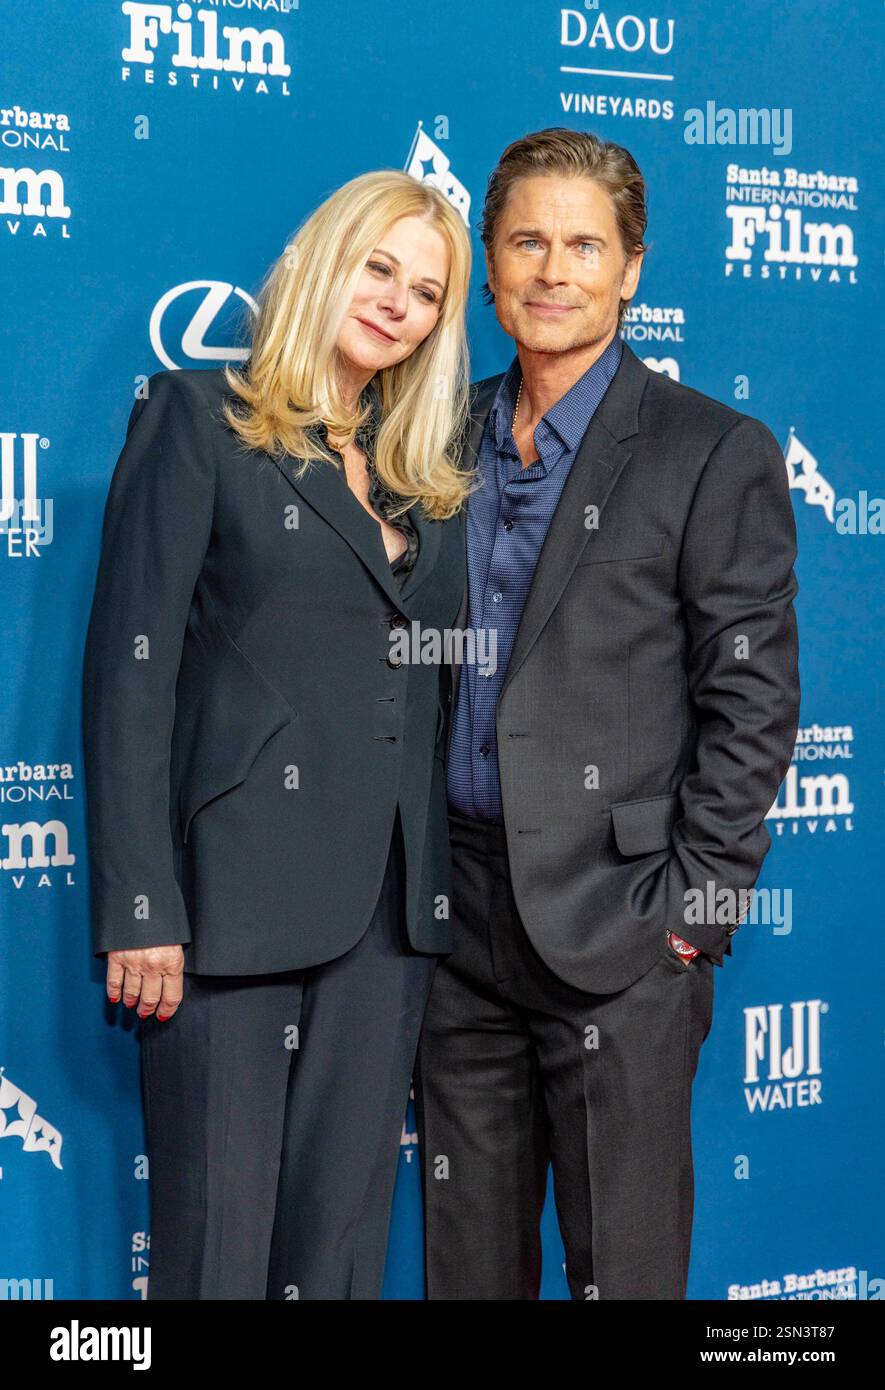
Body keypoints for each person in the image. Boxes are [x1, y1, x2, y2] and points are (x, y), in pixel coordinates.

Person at [414, 128, 801, 1300]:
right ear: (487, 266)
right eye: (527, 240)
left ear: (632, 268)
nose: (553, 268)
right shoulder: (435, 436)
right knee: (467, 1274)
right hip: (455, 929)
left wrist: (694, 918)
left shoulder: (707, 450)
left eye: (585, 244)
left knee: (620, 1277)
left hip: (622, 934)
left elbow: (756, 700)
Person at [81, 169, 473, 1300]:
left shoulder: (421, 479)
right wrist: (141, 904)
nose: (399, 300)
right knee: (215, 1250)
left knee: (340, 1253)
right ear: (322, 263)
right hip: (224, 909)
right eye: (380, 266)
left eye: (429, 290)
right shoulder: (200, 419)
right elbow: (129, 679)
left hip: (391, 917)